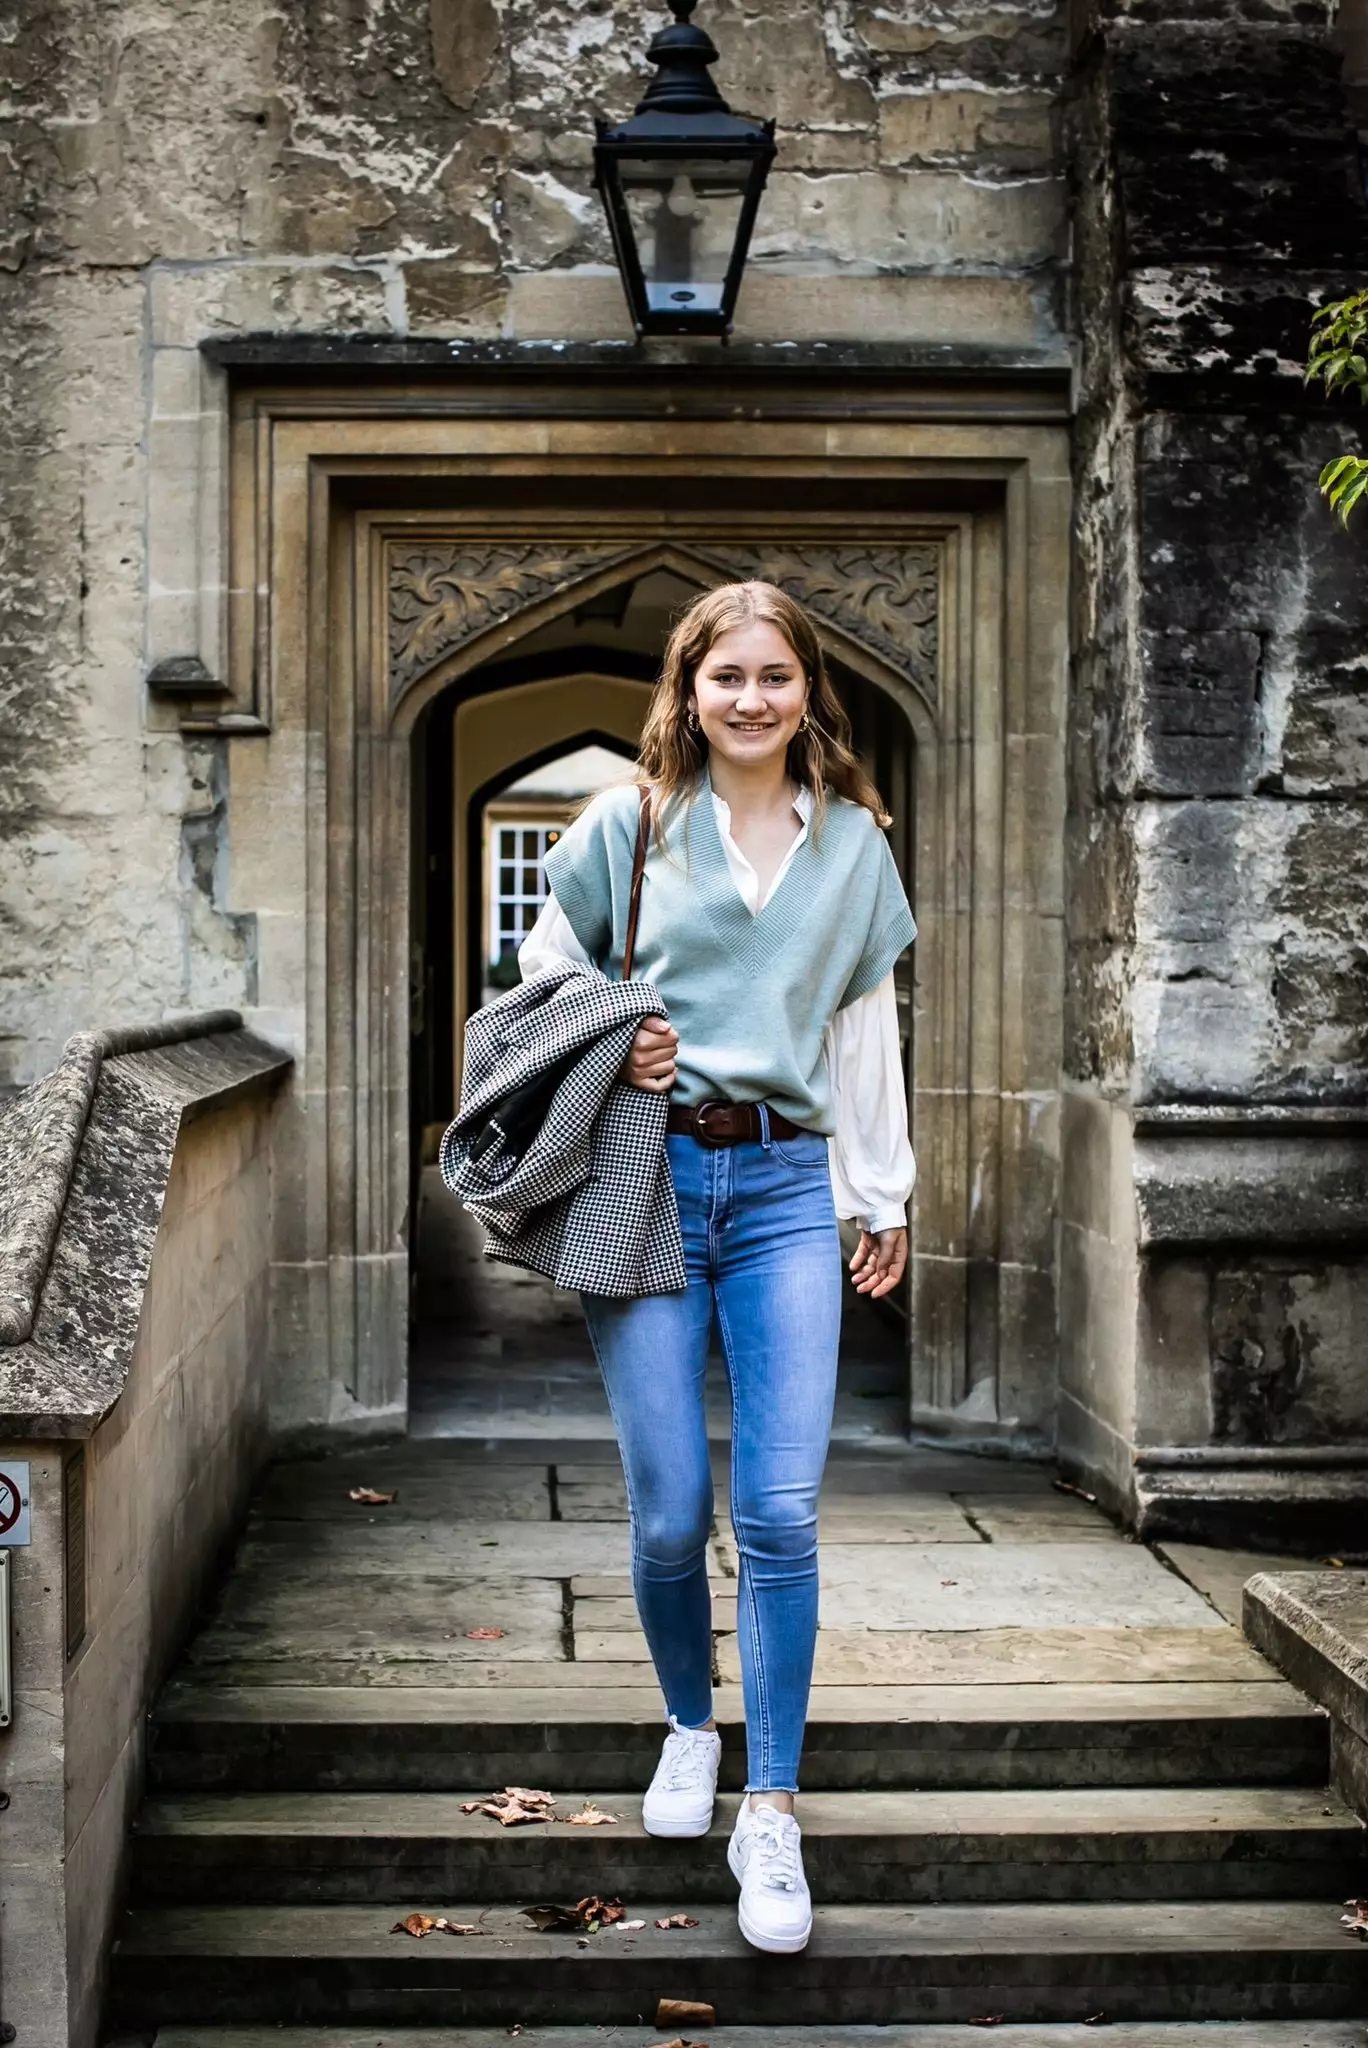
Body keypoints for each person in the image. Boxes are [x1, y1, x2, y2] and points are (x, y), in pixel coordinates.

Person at [520, 580, 917, 1955]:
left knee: (785, 1512)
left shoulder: (857, 842)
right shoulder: (624, 825)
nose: (751, 699)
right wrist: (614, 1036)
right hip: (650, 1183)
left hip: (792, 1188)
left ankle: (773, 1805)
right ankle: (691, 1720)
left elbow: (864, 1026)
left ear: (811, 691)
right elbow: (538, 979)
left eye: (776, 677)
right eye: (725, 678)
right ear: (686, 691)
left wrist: (883, 1193)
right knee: (669, 1511)